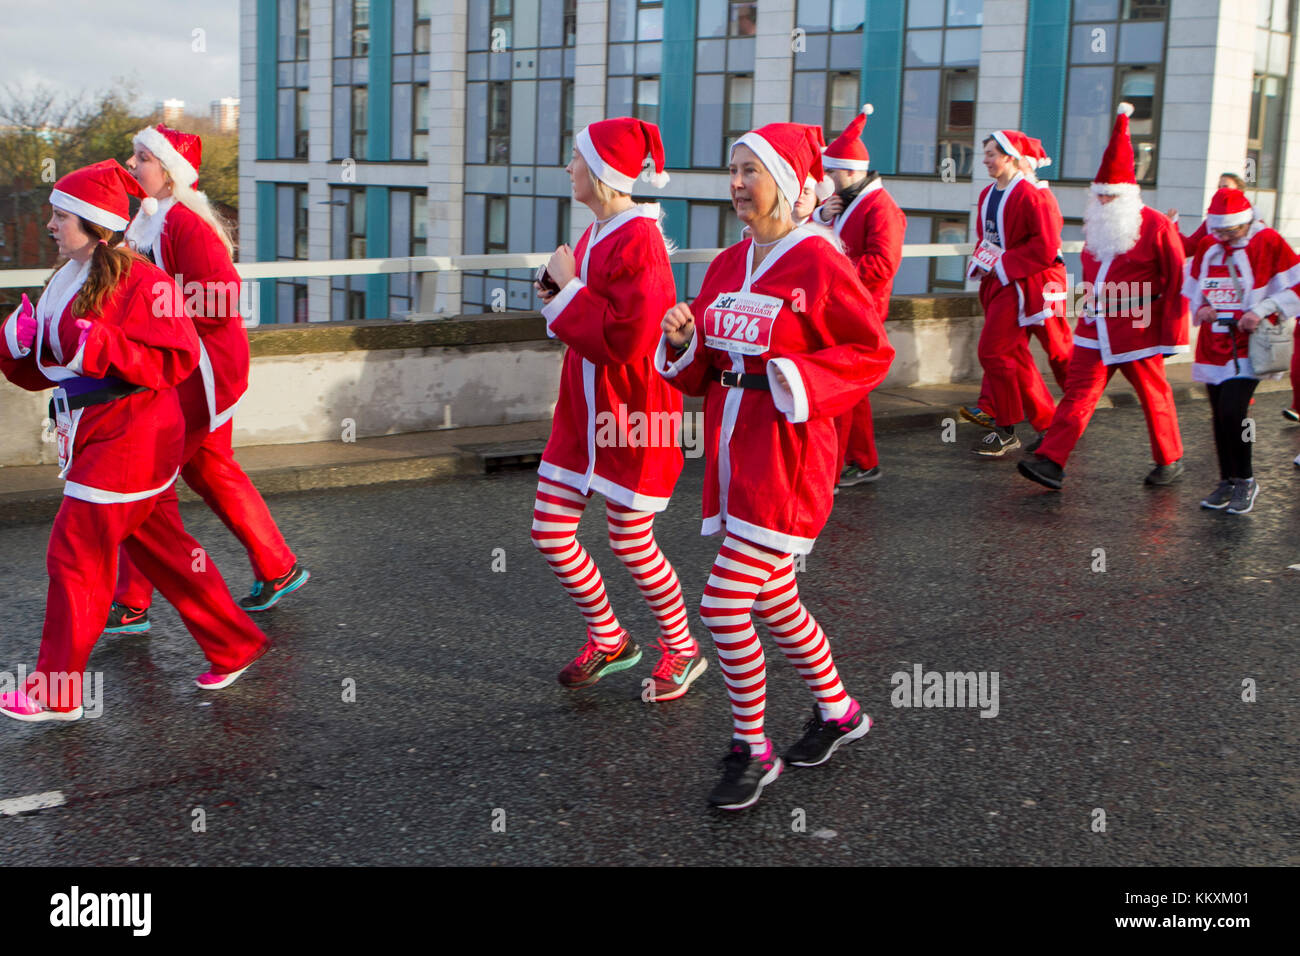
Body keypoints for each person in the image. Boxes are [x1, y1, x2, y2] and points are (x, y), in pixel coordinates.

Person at [657, 123, 894, 809]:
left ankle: (752, 749)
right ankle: (840, 713)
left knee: (725, 602)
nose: (735, 183)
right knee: (775, 599)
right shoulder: (729, 265)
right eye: (731, 169)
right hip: (734, 453)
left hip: (791, 460)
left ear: (787, 185)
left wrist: (792, 377)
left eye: (749, 171)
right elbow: (704, 369)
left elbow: (870, 354)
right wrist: (684, 341)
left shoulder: (822, 260)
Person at [0, 160, 269, 721]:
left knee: (74, 556)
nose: (49, 225)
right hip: (96, 434)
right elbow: (46, 370)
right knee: (166, 551)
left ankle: (57, 691)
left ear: (96, 225)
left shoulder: (145, 281)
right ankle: (234, 643)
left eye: (60, 216)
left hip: (132, 438)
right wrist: (15, 344)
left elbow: (176, 359)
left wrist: (96, 345)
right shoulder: (61, 281)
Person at [103, 124, 308, 636]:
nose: (132, 166)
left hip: (201, 373)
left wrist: (150, 315)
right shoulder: (150, 221)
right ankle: (278, 565)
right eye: (134, 157)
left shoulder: (185, 225)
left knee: (143, 478)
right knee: (211, 470)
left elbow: (220, 298)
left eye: (142, 158)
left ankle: (131, 602)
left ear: (169, 174)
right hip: (188, 369)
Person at [531, 117, 705, 701]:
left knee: (631, 541)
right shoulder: (597, 231)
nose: (567, 169)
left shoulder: (640, 240)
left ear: (601, 170)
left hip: (632, 410)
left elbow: (629, 340)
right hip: (583, 410)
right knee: (550, 530)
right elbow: (583, 313)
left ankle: (681, 649)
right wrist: (558, 289)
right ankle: (610, 638)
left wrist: (567, 290)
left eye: (575, 158)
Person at [1018, 105, 1189, 490]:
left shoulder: (1158, 226)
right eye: (1101, 196)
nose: (1105, 203)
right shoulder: (1096, 225)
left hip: (1137, 329)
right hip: (1094, 326)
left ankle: (1170, 458)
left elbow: (1177, 279)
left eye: (1112, 196)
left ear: (1128, 194)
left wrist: (1172, 335)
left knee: (1153, 395)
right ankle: (1051, 462)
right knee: (1079, 394)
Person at [1185, 187, 1300, 514]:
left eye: (1228, 229)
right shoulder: (1209, 246)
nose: (1221, 235)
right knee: (1219, 415)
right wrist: (1202, 309)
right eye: (1217, 229)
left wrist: (1262, 309)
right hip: (1214, 344)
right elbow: (1196, 290)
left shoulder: (1268, 241)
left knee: (1235, 411)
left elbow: (1296, 284)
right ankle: (1227, 480)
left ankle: (1246, 480)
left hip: (1251, 343)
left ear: (1245, 222)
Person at [813, 104, 905, 487]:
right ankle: (864, 461)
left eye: (831, 172)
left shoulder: (883, 208)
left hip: (861, 308)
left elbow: (883, 264)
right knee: (856, 389)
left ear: (850, 171)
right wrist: (820, 216)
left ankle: (833, 471)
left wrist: (836, 277)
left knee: (844, 388)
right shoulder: (843, 201)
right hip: (842, 304)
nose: (826, 178)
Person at [962, 129, 1067, 457]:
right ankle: (1039, 424)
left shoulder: (1032, 195)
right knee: (1011, 355)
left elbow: (1047, 246)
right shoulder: (985, 194)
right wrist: (981, 261)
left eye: (992, 154)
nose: (986, 160)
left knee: (995, 351)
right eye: (986, 154)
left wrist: (1005, 265)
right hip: (998, 281)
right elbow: (987, 237)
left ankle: (1017, 425)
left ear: (1009, 156)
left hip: (1024, 284)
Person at [1166, 172, 1247, 258]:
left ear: (1239, 191)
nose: (1221, 191)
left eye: (1225, 187)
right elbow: (1188, 248)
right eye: (1219, 187)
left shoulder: (1253, 223)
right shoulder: (1211, 222)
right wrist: (1172, 226)